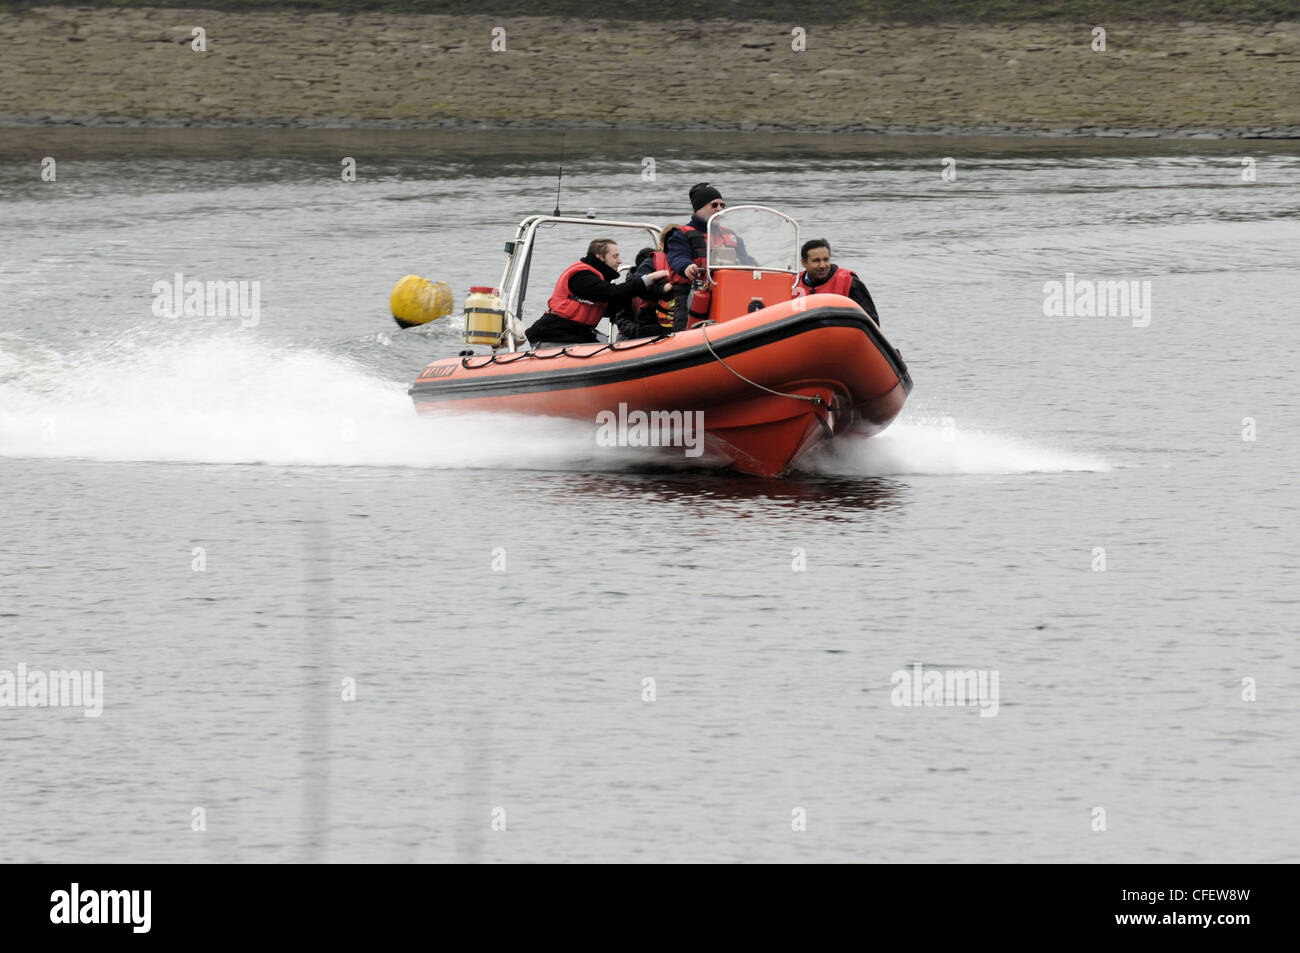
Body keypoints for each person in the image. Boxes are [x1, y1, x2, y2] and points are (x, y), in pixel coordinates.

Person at [525, 238, 672, 346]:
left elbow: (610, 308)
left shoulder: (599, 278)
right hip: (554, 335)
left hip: (579, 335)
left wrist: (652, 292)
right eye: (615, 256)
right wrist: (649, 279)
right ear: (600, 257)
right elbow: (611, 293)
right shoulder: (582, 276)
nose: (620, 261)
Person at [664, 183, 753, 331]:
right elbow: (677, 257)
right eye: (714, 205)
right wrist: (687, 266)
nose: (719, 209)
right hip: (691, 295)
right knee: (685, 334)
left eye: (722, 205)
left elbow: (747, 261)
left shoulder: (730, 235)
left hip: (727, 293)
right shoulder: (681, 234)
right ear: (699, 209)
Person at [792, 238, 881, 324]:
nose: (823, 265)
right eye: (816, 260)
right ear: (803, 262)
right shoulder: (792, 284)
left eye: (826, 260)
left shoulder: (849, 282)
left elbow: (871, 321)